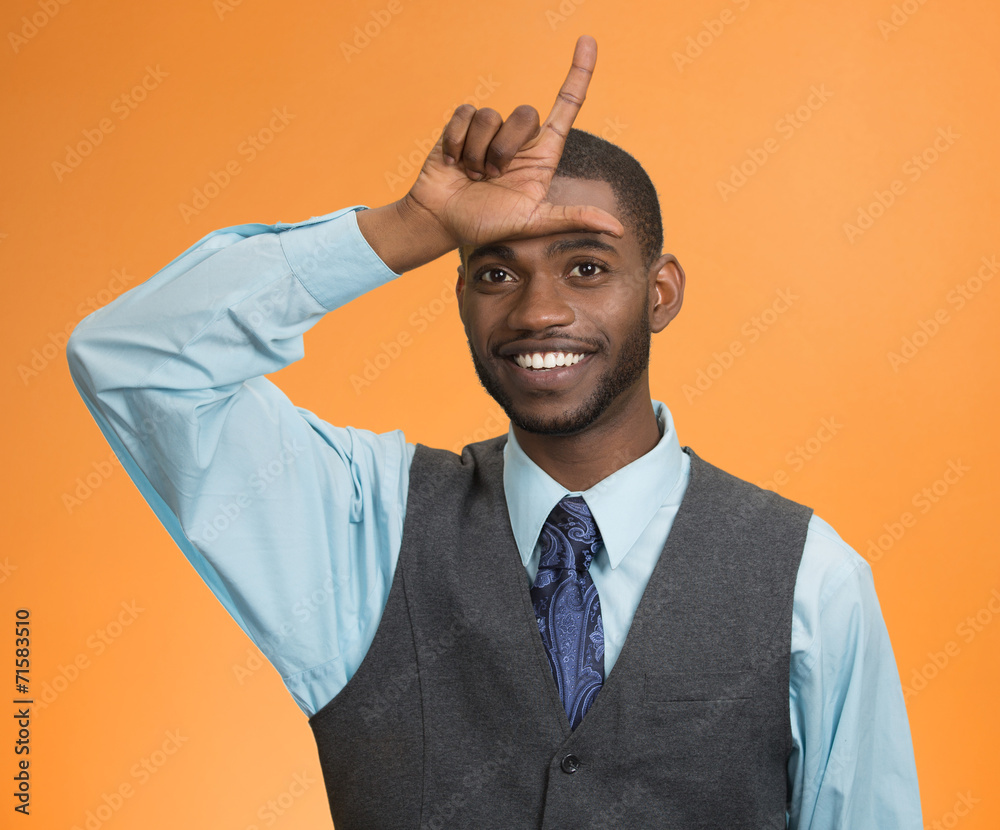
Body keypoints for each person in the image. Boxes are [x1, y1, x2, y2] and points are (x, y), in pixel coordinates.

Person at [67, 35, 922, 829]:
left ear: (659, 293)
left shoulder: (812, 579)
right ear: (460, 297)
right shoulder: (362, 530)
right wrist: (409, 228)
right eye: (496, 271)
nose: (539, 310)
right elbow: (133, 362)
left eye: (586, 267)